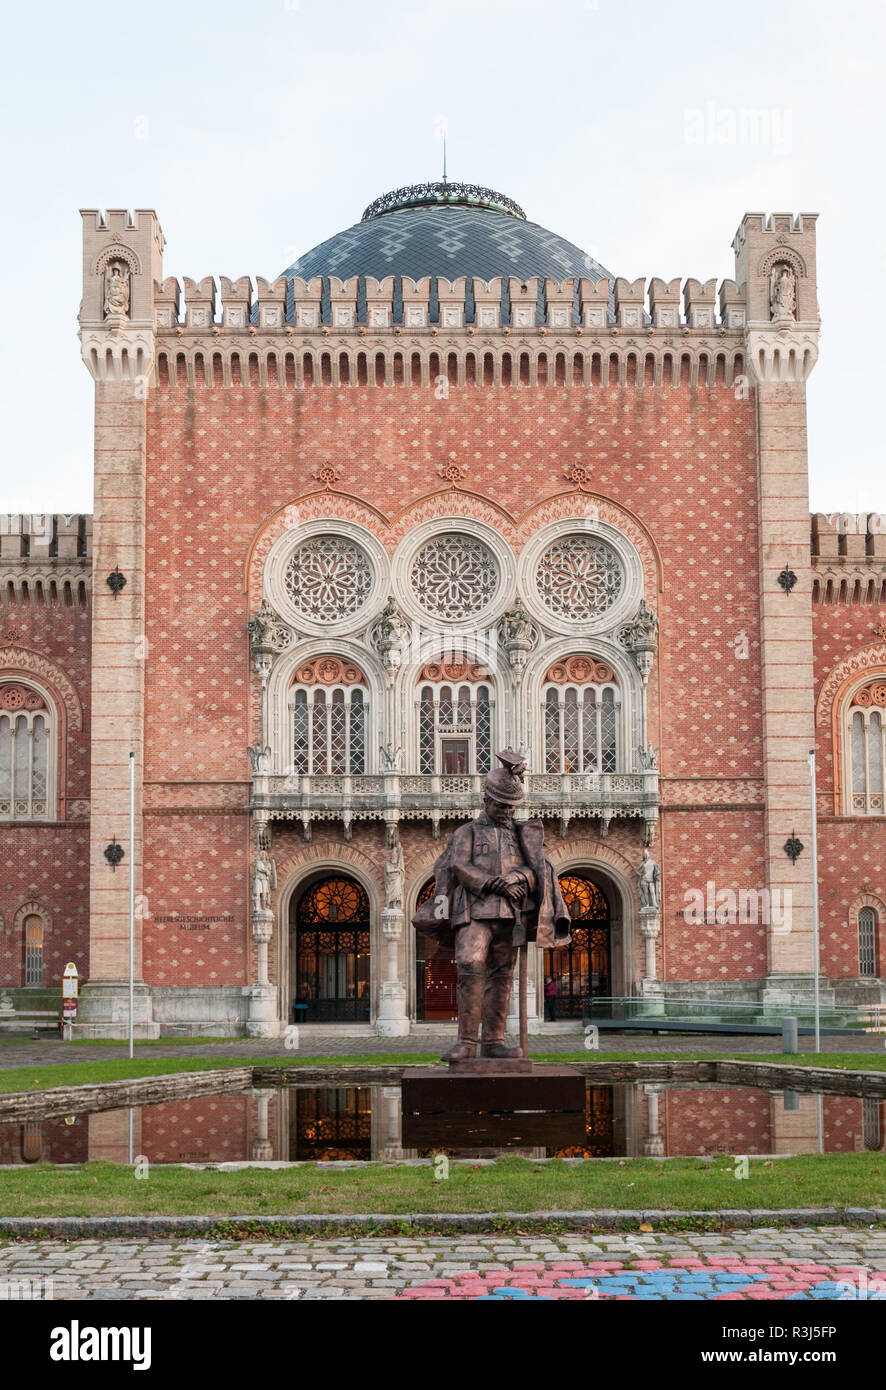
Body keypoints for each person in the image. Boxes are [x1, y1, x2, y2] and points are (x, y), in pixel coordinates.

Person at [423, 750, 571, 1062]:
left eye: (511, 806)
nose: (506, 811)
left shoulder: (523, 836)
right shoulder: (467, 832)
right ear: (486, 800)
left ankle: (493, 1041)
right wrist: (492, 882)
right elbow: (459, 866)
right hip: (474, 910)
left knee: (502, 974)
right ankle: (466, 1043)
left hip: (510, 913)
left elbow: (538, 868)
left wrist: (518, 877)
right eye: (501, 805)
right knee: (469, 964)